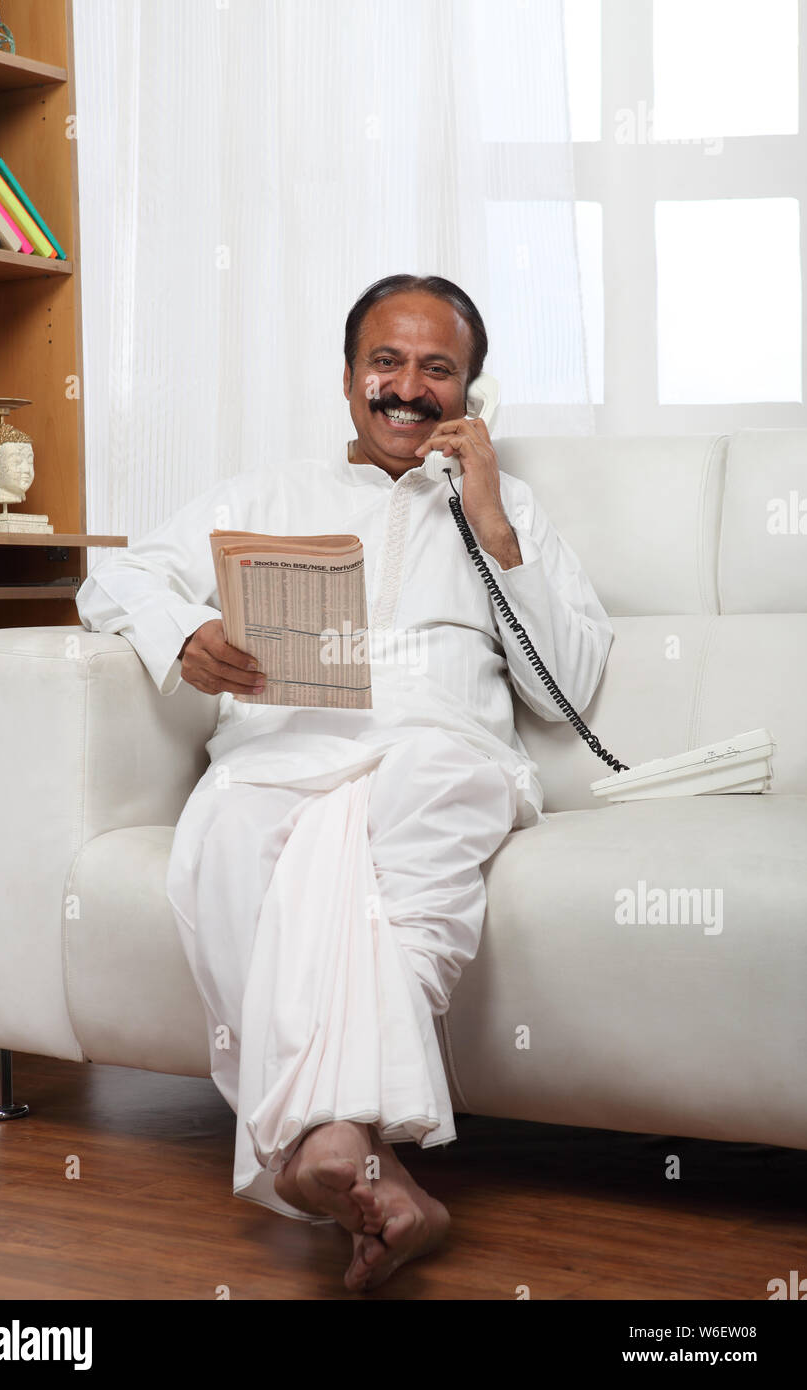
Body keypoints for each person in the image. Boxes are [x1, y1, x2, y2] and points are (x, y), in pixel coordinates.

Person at [76, 273, 614, 1293]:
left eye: (437, 369)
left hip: (438, 744)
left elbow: (569, 688)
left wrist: (494, 528)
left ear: (471, 393)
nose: (407, 387)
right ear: (346, 377)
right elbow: (115, 578)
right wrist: (182, 633)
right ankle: (364, 1157)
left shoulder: (508, 510)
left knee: (418, 821)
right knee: (221, 835)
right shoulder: (260, 494)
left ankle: (328, 1144)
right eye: (386, 362)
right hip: (283, 747)